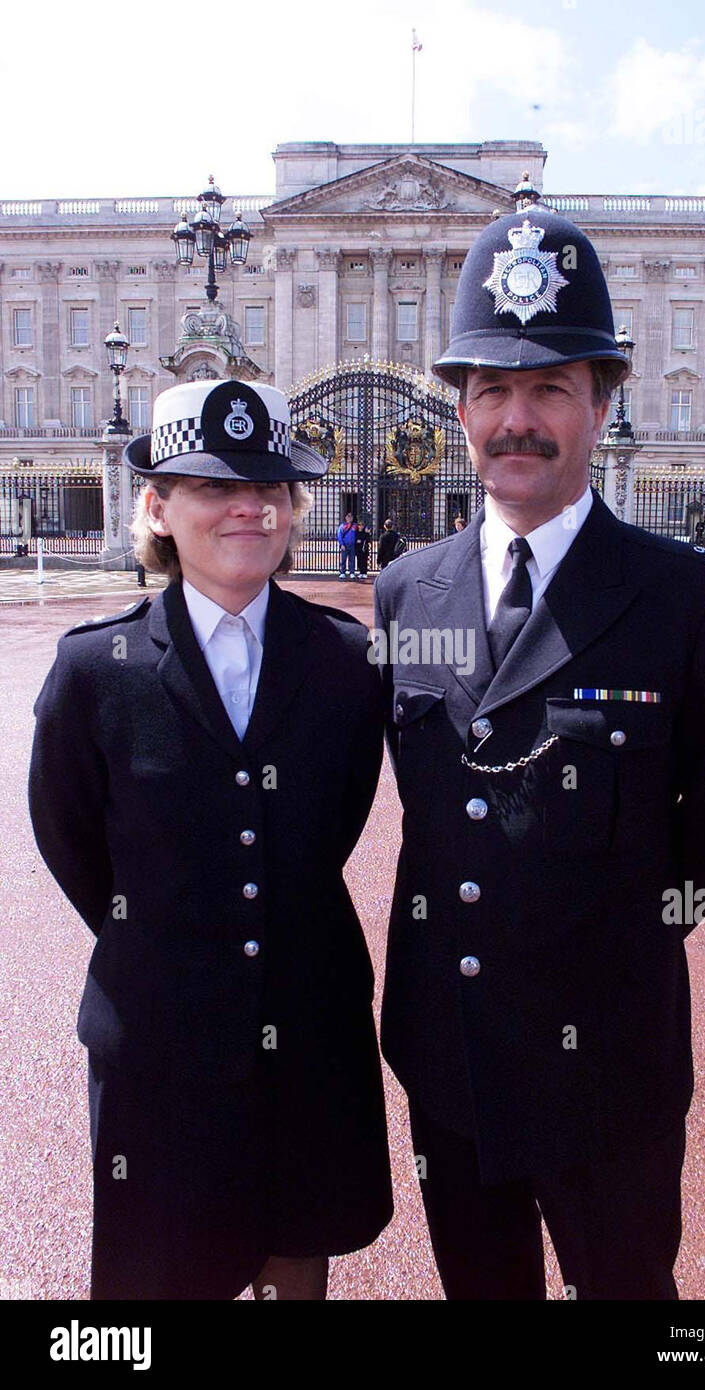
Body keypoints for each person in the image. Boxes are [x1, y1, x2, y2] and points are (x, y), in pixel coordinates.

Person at [372, 205, 705, 1301]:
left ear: (602, 402)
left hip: (607, 1053)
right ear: (461, 407)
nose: (518, 419)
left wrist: (617, 937)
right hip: (449, 1046)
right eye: (492, 390)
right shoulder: (407, 592)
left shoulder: (688, 594)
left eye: (550, 388)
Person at [29, 379, 393, 1301]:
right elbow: (69, 834)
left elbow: (335, 823)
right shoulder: (94, 668)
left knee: (293, 1263)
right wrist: (162, 929)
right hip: (161, 1035)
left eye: (270, 486)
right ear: (157, 507)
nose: (249, 506)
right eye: (213, 486)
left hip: (306, 1023)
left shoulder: (347, 662)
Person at [337, 510, 357, 579]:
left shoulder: (355, 526)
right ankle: (342, 572)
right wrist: (341, 544)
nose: (350, 518)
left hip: (352, 544)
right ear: (346, 517)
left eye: (351, 516)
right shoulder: (342, 526)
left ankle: (352, 572)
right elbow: (339, 535)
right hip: (345, 544)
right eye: (348, 516)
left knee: (352, 559)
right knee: (343, 559)